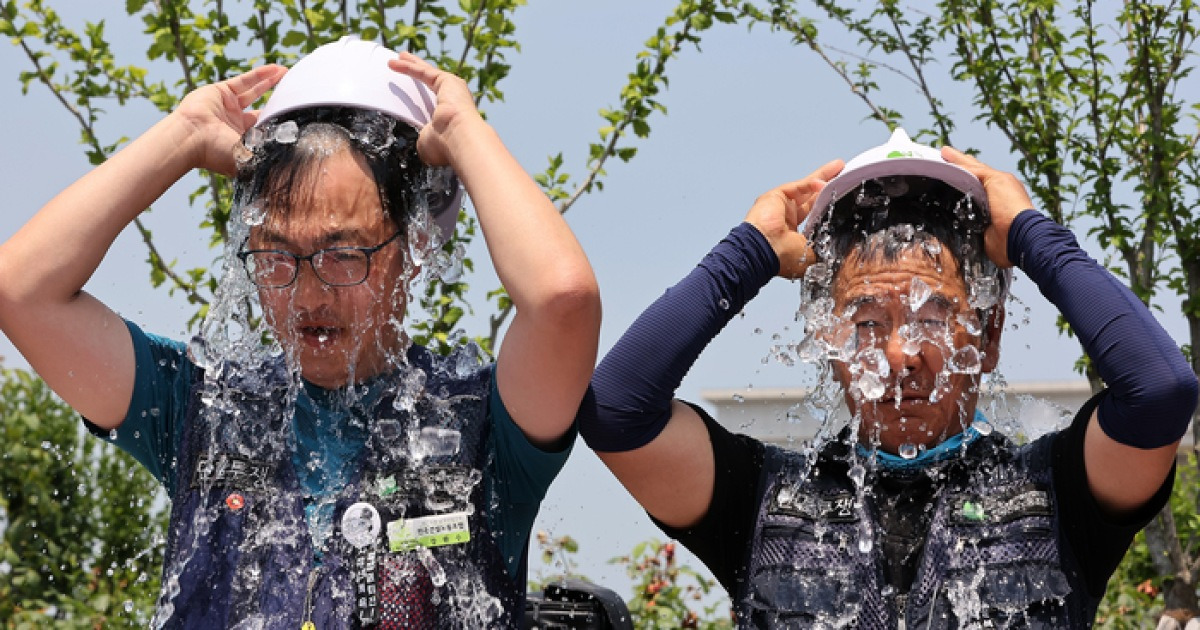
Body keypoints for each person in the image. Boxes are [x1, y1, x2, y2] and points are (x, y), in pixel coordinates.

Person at [0, 37, 600, 628]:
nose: (308, 294)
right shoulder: (203, 407)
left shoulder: (481, 427)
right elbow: (23, 292)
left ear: (415, 243)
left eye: (344, 255)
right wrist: (181, 137)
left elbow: (561, 301)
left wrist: (467, 134)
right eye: (276, 257)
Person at [577, 129, 1198, 628]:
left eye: (935, 317)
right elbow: (618, 407)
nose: (902, 355)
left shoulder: (1059, 493)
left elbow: (1159, 392)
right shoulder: (762, 500)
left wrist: (1035, 238)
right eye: (868, 323)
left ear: (987, 334)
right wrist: (750, 252)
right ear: (827, 336)